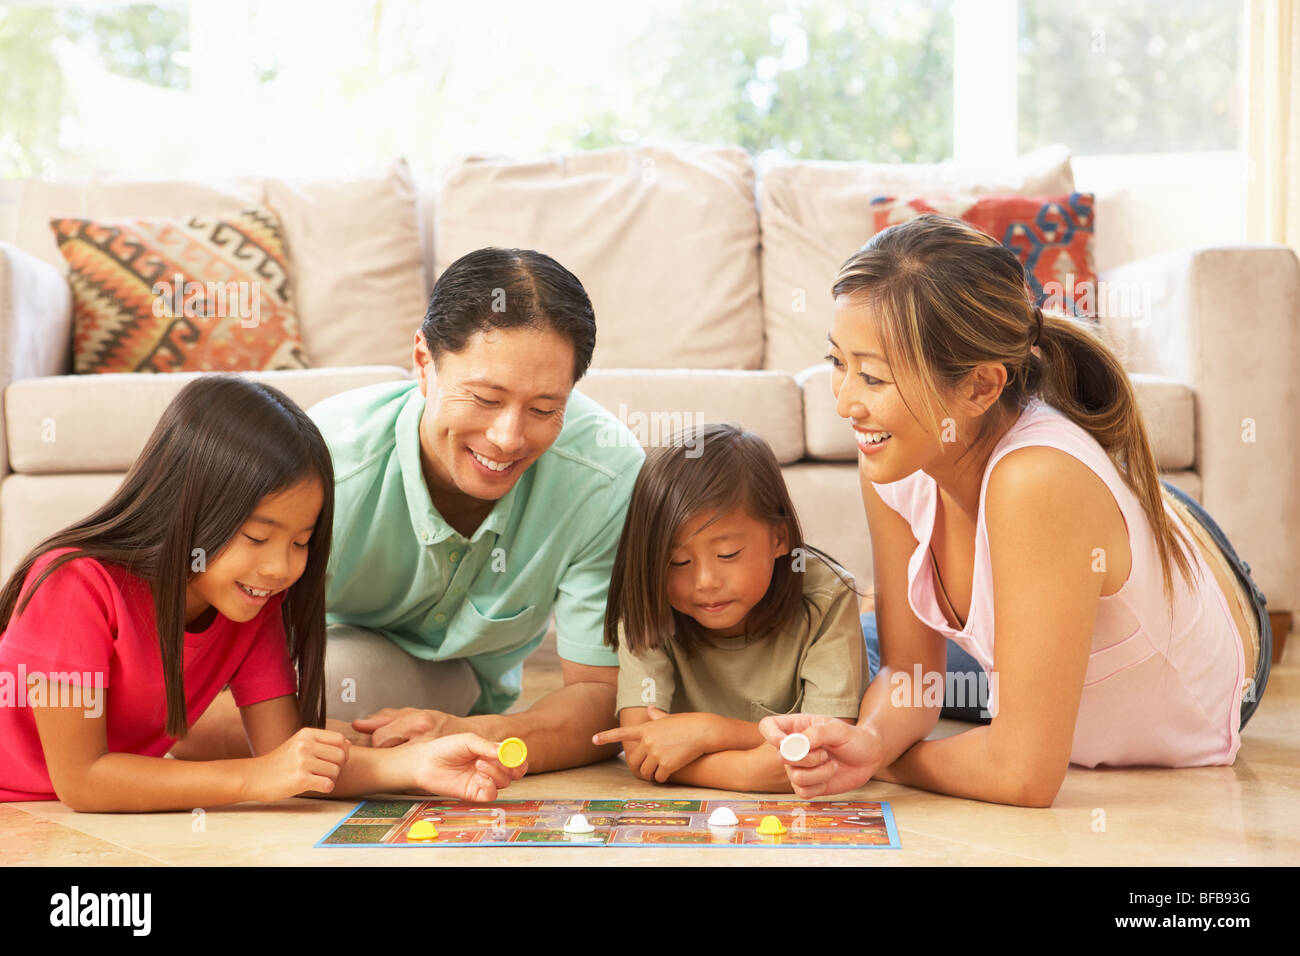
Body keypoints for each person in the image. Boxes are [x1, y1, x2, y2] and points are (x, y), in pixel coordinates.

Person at [760, 214, 1272, 807]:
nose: (846, 401)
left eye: (872, 377)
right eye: (837, 363)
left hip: (1213, 614)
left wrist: (883, 764)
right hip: (1065, 531)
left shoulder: (1036, 484)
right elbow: (911, 678)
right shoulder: (894, 459)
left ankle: (1115, 498)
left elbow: (1023, 774)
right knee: (848, 645)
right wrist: (871, 738)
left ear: (980, 387)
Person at [181, 248, 644, 773]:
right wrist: (407, 756)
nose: (508, 438)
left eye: (544, 409)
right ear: (424, 363)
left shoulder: (602, 475)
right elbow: (189, 716)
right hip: (318, 655)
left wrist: (477, 733)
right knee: (299, 692)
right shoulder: (329, 464)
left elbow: (602, 700)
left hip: (464, 678)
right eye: (486, 398)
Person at [0, 376, 524, 810]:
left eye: (301, 542)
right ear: (188, 507)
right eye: (256, 537)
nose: (280, 568)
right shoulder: (72, 586)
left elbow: (288, 757)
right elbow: (84, 781)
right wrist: (259, 777)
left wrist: (414, 764)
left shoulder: (250, 604)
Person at [592, 424, 866, 792]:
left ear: (780, 538)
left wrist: (709, 733)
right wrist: (761, 762)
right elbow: (643, 750)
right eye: (677, 562)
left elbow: (829, 751)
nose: (705, 581)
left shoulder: (828, 597)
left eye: (728, 554)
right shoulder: (649, 602)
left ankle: (875, 613)